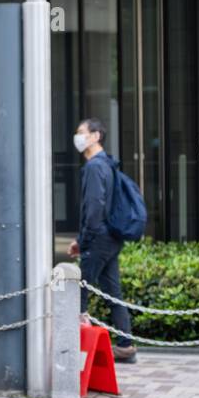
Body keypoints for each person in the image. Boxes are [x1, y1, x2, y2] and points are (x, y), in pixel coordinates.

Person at [69, 117, 136, 363]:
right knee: (112, 292)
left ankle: (72, 349)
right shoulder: (107, 164)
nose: (78, 137)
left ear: (96, 136)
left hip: (99, 237)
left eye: (82, 132)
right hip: (110, 237)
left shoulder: (95, 167)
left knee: (78, 290)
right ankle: (125, 345)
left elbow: (94, 208)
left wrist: (83, 240)